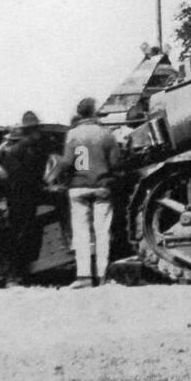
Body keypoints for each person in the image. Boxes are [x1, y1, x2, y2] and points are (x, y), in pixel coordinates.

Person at [0, 112, 49, 287]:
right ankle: (16, 274)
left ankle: (17, 273)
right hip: (22, 195)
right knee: (20, 233)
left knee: (20, 233)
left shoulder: (24, 147)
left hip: (18, 195)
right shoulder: (25, 147)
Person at [61, 97, 121, 289]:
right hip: (102, 187)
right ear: (94, 112)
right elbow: (116, 164)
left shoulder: (73, 135)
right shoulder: (106, 134)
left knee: (81, 233)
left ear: (80, 113)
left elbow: (70, 163)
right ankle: (103, 275)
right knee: (103, 232)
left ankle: (84, 277)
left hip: (79, 188)